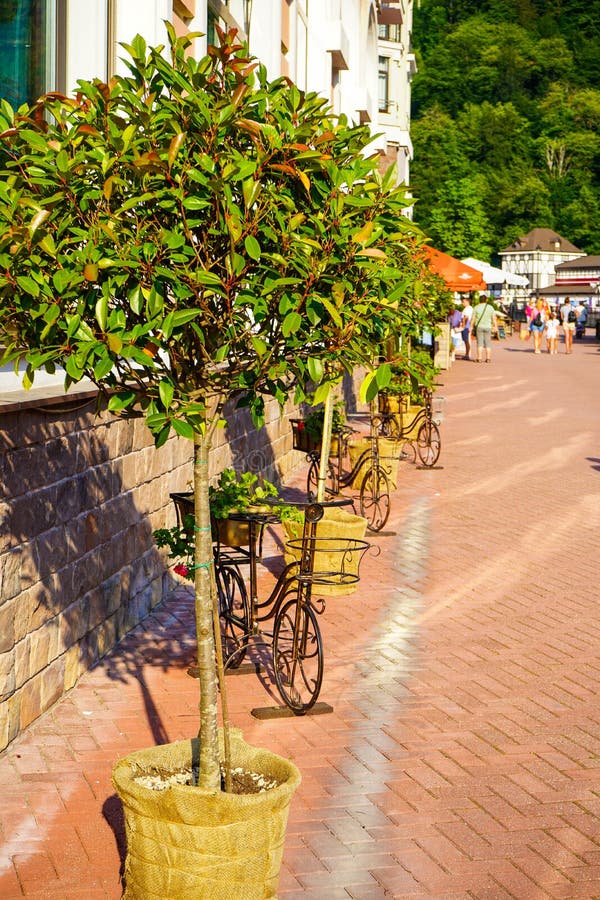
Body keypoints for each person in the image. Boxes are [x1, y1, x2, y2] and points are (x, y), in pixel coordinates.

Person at [470, 293, 497, 363]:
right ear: (486, 300)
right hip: (488, 327)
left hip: (479, 327)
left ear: (479, 300)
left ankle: (479, 358)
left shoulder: (476, 307)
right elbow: (494, 318)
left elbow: (473, 318)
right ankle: (488, 358)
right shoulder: (490, 307)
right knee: (488, 343)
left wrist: (471, 326)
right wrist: (495, 326)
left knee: (479, 343)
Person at [460, 295, 474, 360]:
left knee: (466, 341)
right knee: (466, 341)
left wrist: (463, 325)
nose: (462, 303)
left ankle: (467, 354)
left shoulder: (468, 308)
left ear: (467, 302)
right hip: (466, 326)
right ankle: (467, 354)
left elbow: (466, 317)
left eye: (463, 302)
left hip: (466, 326)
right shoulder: (468, 308)